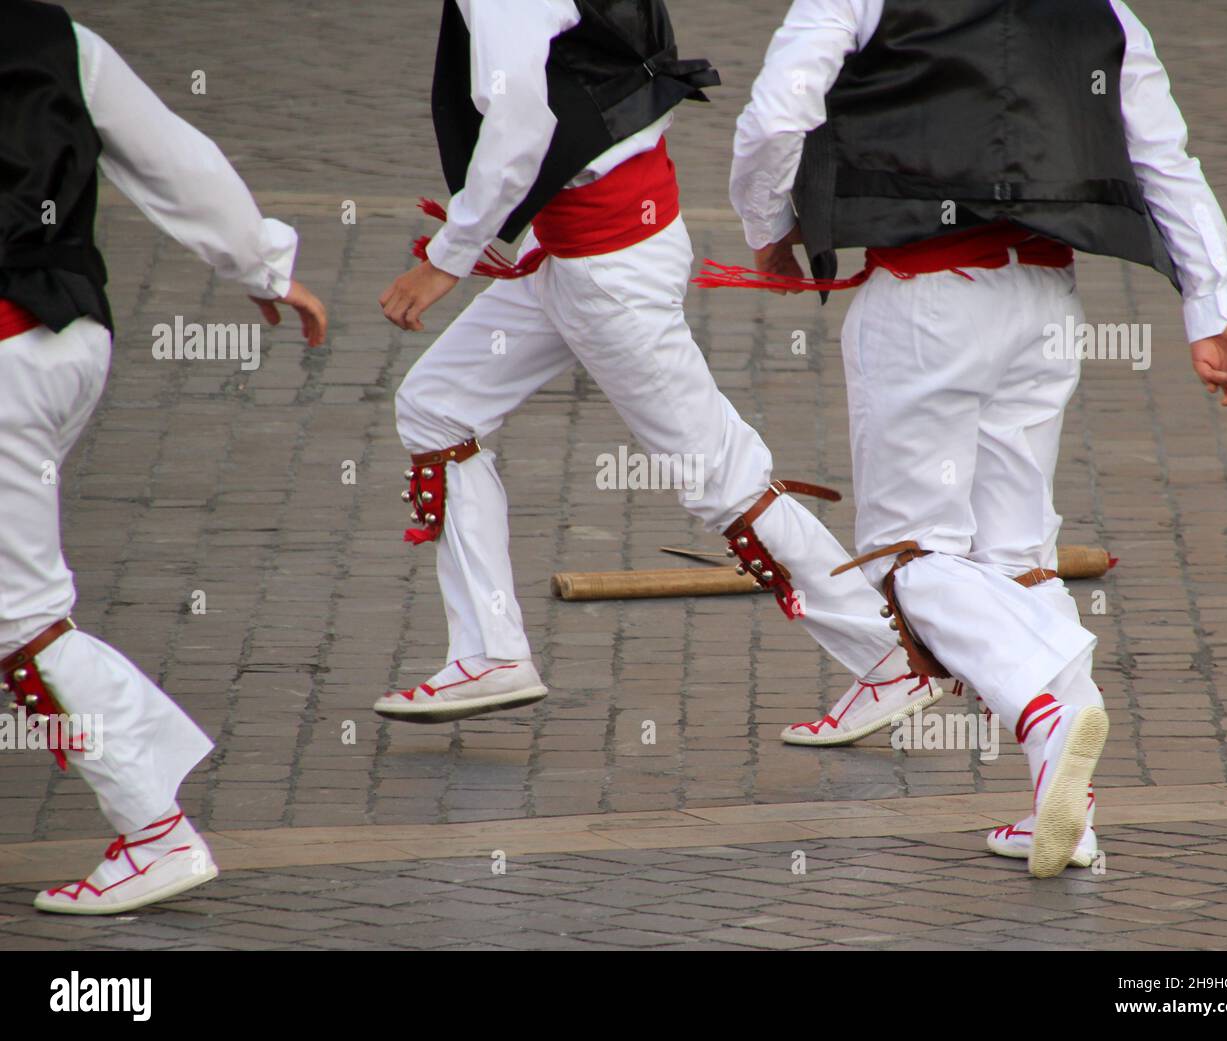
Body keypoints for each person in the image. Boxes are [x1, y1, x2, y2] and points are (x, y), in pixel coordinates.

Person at [722, 0, 1227, 876]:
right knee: (1020, 553)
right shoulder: (1103, 7)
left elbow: (778, 113)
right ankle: (1071, 813)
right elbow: (1166, 159)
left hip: (926, 299)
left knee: (907, 555)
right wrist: (1211, 306)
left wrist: (770, 228)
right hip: (1043, 299)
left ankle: (1042, 705)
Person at [373, 0, 941, 743]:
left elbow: (520, 125)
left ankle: (889, 655)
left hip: (606, 269)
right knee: (437, 405)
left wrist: (446, 262)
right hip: (587, 255)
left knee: (721, 475)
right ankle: (490, 649)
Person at [0, 0, 326, 912]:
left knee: (20, 621)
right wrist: (262, 263)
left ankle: (155, 829)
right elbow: (174, 154)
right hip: (66, 339)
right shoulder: (56, 38)